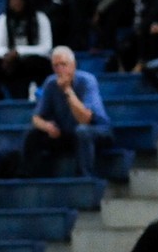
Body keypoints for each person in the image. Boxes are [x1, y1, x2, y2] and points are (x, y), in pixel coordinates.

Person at [20, 47, 112, 179]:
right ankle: (27, 177)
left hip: (97, 130)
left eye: (63, 64)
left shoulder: (87, 81)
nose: (60, 69)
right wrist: (47, 126)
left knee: (83, 131)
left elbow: (84, 119)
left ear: (73, 65)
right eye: (56, 66)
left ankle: (84, 178)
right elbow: (36, 118)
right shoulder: (51, 83)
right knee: (32, 132)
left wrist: (67, 90)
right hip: (67, 132)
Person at [0, 0, 54, 101]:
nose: (15, 3)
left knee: (35, 63)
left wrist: (19, 52)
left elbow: (46, 47)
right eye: (12, 0)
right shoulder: (3, 19)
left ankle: (37, 95)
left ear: (25, 0)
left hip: (33, 61)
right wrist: (9, 56)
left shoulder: (40, 17)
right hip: (10, 62)